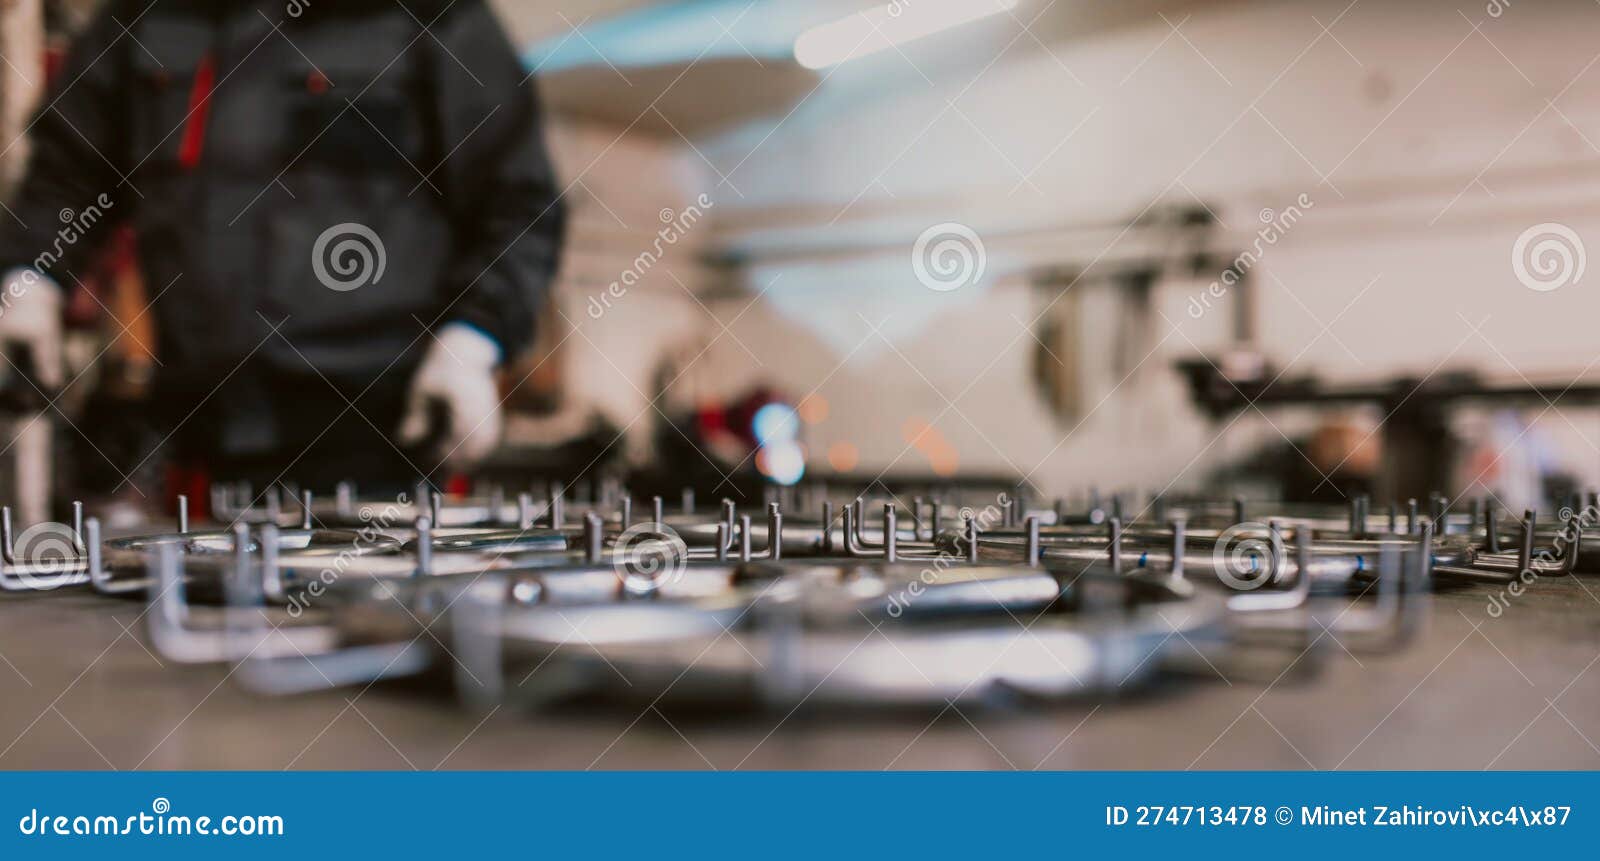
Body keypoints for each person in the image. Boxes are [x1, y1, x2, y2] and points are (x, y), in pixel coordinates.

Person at [0, 0, 564, 496]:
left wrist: (474, 340)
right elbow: (67, 171)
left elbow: (520, 201)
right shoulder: (149, 15)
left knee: (378, 618)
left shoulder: (431, 15)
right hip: (197, 433)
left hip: (384, 439)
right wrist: (31, 275)